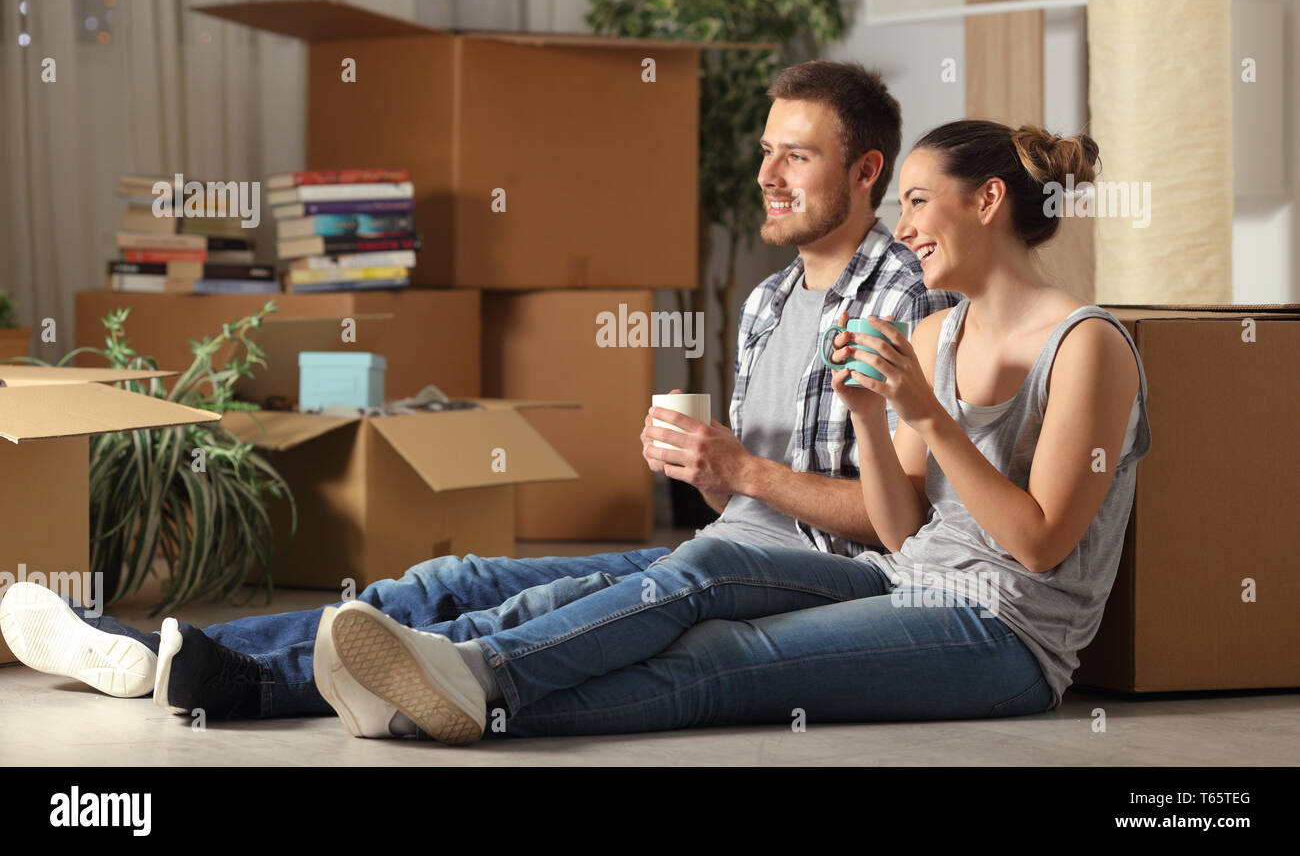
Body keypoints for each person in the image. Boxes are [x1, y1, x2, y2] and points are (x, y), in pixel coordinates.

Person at [0, 60, 958, 733]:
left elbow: (894, 526)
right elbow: (749, 497)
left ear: (866, 171)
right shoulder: (766, 300)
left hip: (823, 575)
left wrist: (742, 471)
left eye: (797, 156)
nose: (766, 176)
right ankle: (171, 653)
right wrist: (706, 473)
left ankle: (233, 678)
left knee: (493, 617)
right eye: (766, 151)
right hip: (732, 543)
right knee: (437, 584)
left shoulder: (908, 297)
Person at [305, 118, 1152, 744]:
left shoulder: (1088, 347)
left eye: (920, 202)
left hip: (1004, 637)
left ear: (990, 200)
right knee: (710, 563)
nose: (904, 228)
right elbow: (904, 530)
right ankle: (457, 682)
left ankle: (472, 692)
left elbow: (1039, 544)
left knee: (722, 661)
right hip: (907, 579)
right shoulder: (940, 335)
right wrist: (866, 412)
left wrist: (926, 414)